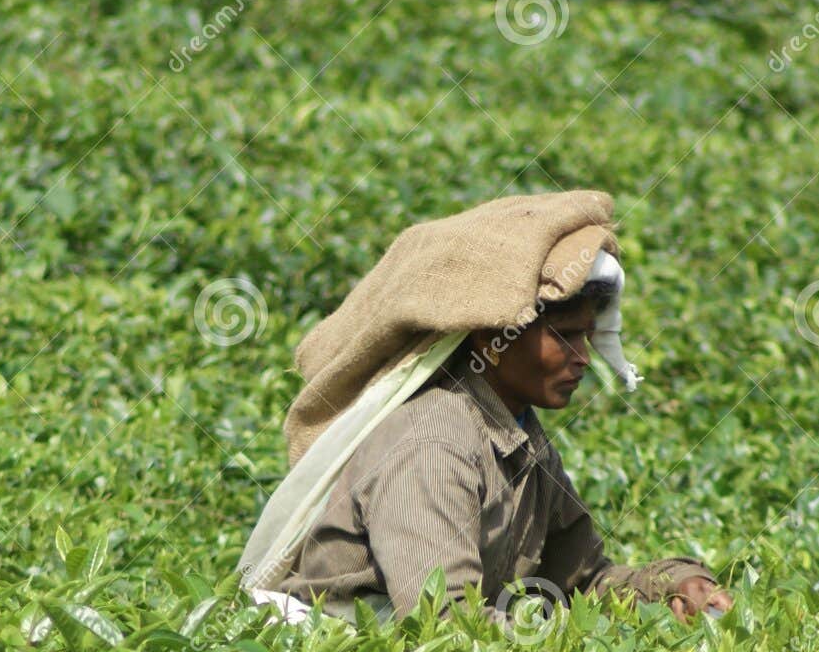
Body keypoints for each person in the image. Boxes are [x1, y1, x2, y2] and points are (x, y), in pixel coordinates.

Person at [238, 189, 730, 625]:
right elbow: (444, 623)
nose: (582, 358)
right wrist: (562, 637)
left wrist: (670, 585)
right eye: (563, 337)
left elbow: (579, 582)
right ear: (493, 334)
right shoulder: (430, 445)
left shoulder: (520, 437)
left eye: (587, 336)